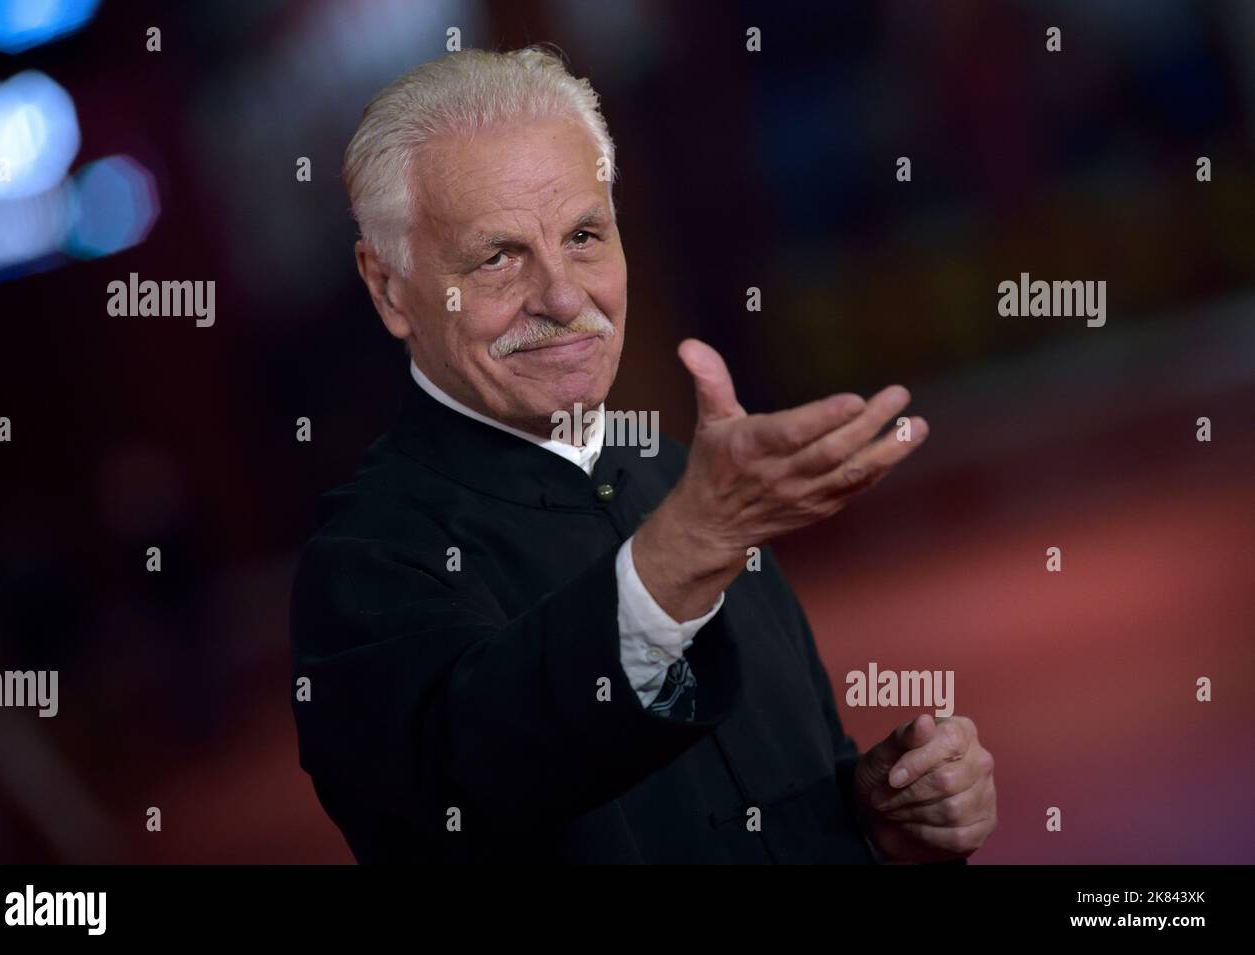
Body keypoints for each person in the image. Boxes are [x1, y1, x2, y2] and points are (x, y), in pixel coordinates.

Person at [289, 46, 997, 863]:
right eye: (498, 256)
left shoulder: (682, 480)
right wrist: (685, 553)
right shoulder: (365, 563)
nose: (562, 296)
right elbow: (470, 781)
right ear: (388, 287)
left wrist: (876, 820)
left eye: (584, 235)